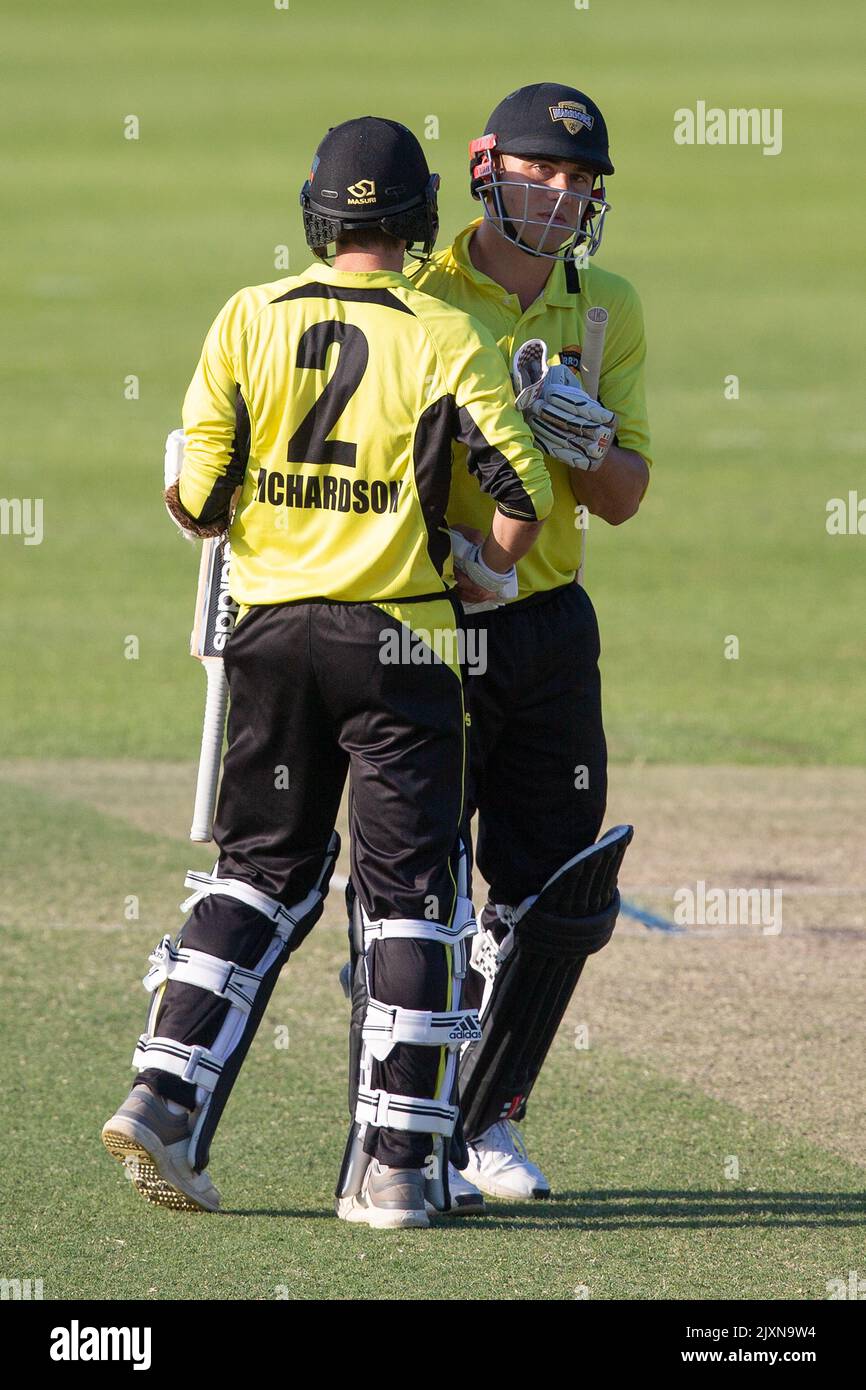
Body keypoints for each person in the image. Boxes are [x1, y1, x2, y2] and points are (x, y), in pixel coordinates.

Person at [100, 116, 552, 1229]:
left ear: (318, 210)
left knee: (258, 870)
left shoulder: (245, 315)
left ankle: (162, 1094)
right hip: (395, 644)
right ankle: (395, 1169)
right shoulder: (444, 333)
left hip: (266, 635)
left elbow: (197, 501)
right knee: (408, 898)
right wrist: (485, 576)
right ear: (413, 220)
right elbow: (519, 497)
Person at [408, 82, 652, 1200]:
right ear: (483, 164)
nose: (559, 197)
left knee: (552, 892)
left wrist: (583, 439)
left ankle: (488, 1121)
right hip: (423, 621)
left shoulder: (604, 308)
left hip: (548, 624)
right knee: (416, 891)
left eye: (581, 183)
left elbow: (621, 497)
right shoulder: (416, 288)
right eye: (541, 172)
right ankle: (405, 1129)